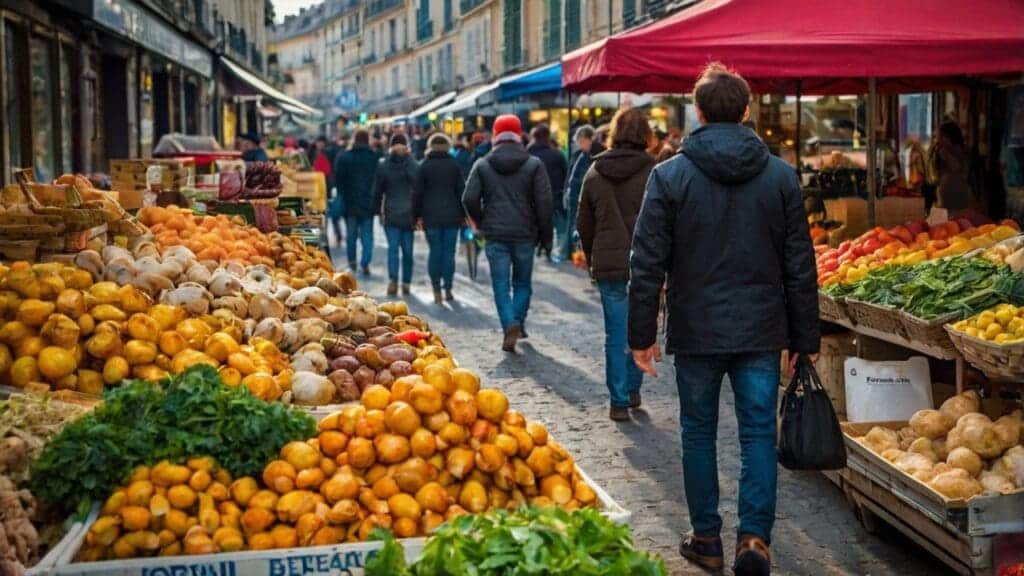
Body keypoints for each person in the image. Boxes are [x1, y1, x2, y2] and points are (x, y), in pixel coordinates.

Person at [628, 63, 819, 576]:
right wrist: (805, 334)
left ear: (698, 111)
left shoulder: (669, 176)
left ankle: (706, 537)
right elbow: (800, 263)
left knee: (698, 432)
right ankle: (754, 540)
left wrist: (640, 336)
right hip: (761, 327)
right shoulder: (780, 175)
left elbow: (646, 263)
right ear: (747, 110)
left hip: (696, 327)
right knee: (758, 434)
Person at [576, 109, 655, 421]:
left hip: (609, 264)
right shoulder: (656, 172)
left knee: (616, 333)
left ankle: (618, 399)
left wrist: (592, 256)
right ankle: (634, 389)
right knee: (643, 326)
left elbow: (584, 222)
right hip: (647, 263)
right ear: (645, 135)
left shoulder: (594, 172)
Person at [463, 114, 553, 352]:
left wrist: (482, 221)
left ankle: (510, 324)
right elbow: (545, 203)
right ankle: (517, 321)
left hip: (495, 234)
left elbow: (469, 198)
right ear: (519, 134)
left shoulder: (482, 164)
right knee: (522, 282)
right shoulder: (534, 164)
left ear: (495, 136)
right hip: (525, 233)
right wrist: (546, 236)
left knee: (501, 285)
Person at [414, 133, 466, 303]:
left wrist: (416, 216)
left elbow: (417, 194)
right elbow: (461, 192)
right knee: (449, 253)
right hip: (452, 216)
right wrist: (465, 214)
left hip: (431, 216)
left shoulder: (424, 166)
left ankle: (436, 288)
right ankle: (448, 287)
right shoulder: (454, 165)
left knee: (435, 251)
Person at [373, 133, 419, 296]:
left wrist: (377, 209)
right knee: (402, 251)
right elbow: (378, 191)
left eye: (401, 145)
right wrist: (377, 209)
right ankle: (399, 282)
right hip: (400, 215)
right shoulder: (410, 164)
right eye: (397, 145)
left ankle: (400, 282)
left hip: (401, 215)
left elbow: (378, 191)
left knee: (399, 251)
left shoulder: (386, 165)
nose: (399, 147)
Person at [335, 130, 380, 274]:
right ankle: (365, 263)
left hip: (350, 203)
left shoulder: (344, 157)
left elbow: (339, 181)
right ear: (368, 140)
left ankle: (352, 262)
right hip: (368, 203)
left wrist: (343, 194)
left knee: (351, 236)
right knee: (367, 236)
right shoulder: (373, 157)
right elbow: (378, 181)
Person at [527, 124, 568, 262]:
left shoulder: (527, 155)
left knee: (536, 223)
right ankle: (555, 250)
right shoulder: (557, 155)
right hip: (555, 196)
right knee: (558, 226)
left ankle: (538, 246)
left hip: (532, 198)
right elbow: (566, 175)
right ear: (547, 137)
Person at [564, 125, 603, 259]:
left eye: (582, 142)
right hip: (577, 197)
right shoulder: (582, 155)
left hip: (584, 198)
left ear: (590, 139)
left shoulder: (592, 155)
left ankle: (578, 253)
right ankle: (575, 253)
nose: (580, 145)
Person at [929, 121, 970, 213]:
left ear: (946, 137)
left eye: (937, 136)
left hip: (955, 198)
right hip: (944, 197)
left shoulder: (959, 151)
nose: (935, 140)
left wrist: (946, 154)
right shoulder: (940, 151)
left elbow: (957, 168)